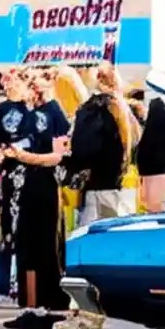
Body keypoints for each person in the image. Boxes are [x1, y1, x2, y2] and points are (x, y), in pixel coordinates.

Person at [3, 73, 71, 329]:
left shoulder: (55, 114)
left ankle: (50, 305)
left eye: (36, 85)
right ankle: (29, 306)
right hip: (23, 189)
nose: (32, 90)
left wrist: (26, 157)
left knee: (44, 247)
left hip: (45, 187)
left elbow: (58, 156)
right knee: (25, 248)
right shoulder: (27, 114)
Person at [66, 67, 134, 226]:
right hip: (116, 182)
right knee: (111, 230)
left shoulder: (93, 108)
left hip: (94, 184)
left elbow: (84, 146)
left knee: (91, 231)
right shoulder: (121, 108)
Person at [0, 68, 29, 308]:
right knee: (4, 233)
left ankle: (22, 284)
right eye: (8, 79)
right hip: (5, 179)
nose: (11, 84)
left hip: (28, 176)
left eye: (16, 79)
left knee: (24, 234)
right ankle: (1, 284)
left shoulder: (32, 110)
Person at [134, 96, 165, 213]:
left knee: (148, 201)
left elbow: (140, 151)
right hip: (161, 168)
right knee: (158, 203)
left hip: (147, 170)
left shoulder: (148, 131)